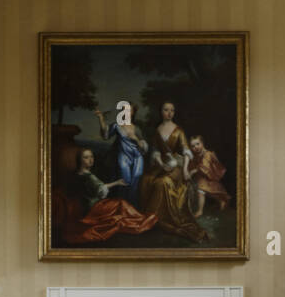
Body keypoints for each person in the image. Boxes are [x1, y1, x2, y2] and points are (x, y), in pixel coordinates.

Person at [138, 101, 207, 242]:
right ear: (161, 112)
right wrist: (162, 165)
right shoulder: (157, 130)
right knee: (146, 180)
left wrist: (186, 170)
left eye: (172, 110)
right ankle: (152, 217)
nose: (169, 113)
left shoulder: (178, 130)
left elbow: (186, 151)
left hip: (177, 165)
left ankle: (162, 218)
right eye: (166, 110)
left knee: (163, 182)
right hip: (162, 164)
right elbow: (156, 151)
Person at [60, 148, 158, 245]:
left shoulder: (78, 174)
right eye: (86, 157)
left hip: (86, 207)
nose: (91, 160)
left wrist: (116, 182)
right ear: (80, 160)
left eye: (91, 157)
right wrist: (116, 183)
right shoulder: (89, 177)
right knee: (121, 203)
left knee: (118, 205)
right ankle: (141, 221)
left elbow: (97, 187)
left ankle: (138, 219)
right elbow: (101, 191)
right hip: (95, 208)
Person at [94, 101, 148, 205]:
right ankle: (122, 207)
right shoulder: (117, 126)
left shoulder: (136, 128)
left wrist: (136, 139)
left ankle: (131, 208)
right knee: (125, 180)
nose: (126, 112)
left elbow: (144, 147)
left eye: (129, 110)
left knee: (136, 181)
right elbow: (105, 136)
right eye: (124, 110)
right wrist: (101, 118)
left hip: (137, 157)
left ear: (133, 113)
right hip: (123, 156)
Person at [186, 135, 230, 217]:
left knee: (202, 190)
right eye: (193, 146)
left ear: (202, 143)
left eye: (197, 144)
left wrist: (193, 171)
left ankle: (200, 211)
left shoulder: (208, 154)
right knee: (206, 192)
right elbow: (193, 164)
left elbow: (204, 167)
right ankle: (220, 201)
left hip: (210, 177)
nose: (196, 147)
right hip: (202, 177)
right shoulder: (196, 155)